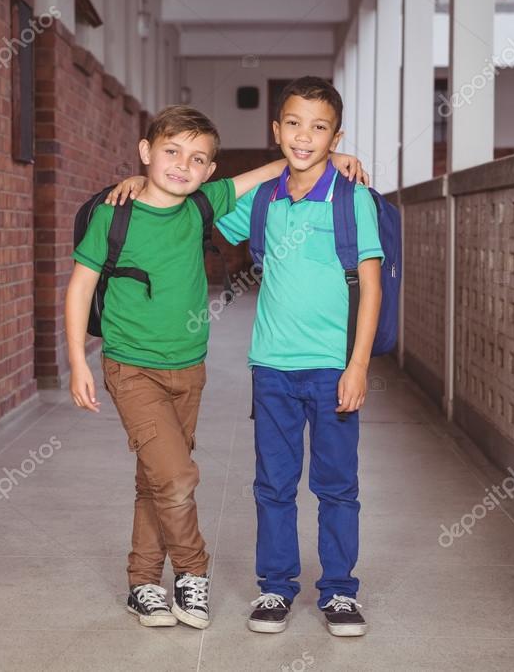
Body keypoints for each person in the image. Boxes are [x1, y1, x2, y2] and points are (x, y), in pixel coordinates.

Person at [64, 104, 367, 630]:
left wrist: (333, 154)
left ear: (209, 171)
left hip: (189, 369)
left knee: (153, 479)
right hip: (130, 368)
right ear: (146, 151)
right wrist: (76, 361)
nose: (182, 165)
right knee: (177, 477)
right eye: (170, 152)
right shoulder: (118, 213)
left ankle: (142, 584)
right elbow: (80, 287)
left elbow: (276, 169)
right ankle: (191, 572)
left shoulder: (201, 206)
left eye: (197, 159)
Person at [214, 76, 384, 637]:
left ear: (336, 136)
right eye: (293, 123)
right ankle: (276, 588)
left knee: (336, 484)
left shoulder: (351, 197)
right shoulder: (265, 199)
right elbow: (199, 208)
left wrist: (357, 365)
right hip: (272, 367)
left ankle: (338, 591)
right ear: (275, 130)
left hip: (334, 367)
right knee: (274, 484)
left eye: (319, 127)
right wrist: (142, 181)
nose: (304, 136)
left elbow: (371, 284)